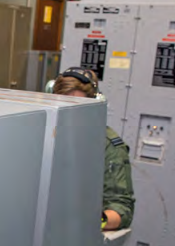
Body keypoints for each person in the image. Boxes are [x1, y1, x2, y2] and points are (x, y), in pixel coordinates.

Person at [52, 69, 135, 230]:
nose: (70, 116)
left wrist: (93, 222)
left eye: (78, 108)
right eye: (64, 107)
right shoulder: (44, 134)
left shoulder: (107, 144)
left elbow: (122, 208)